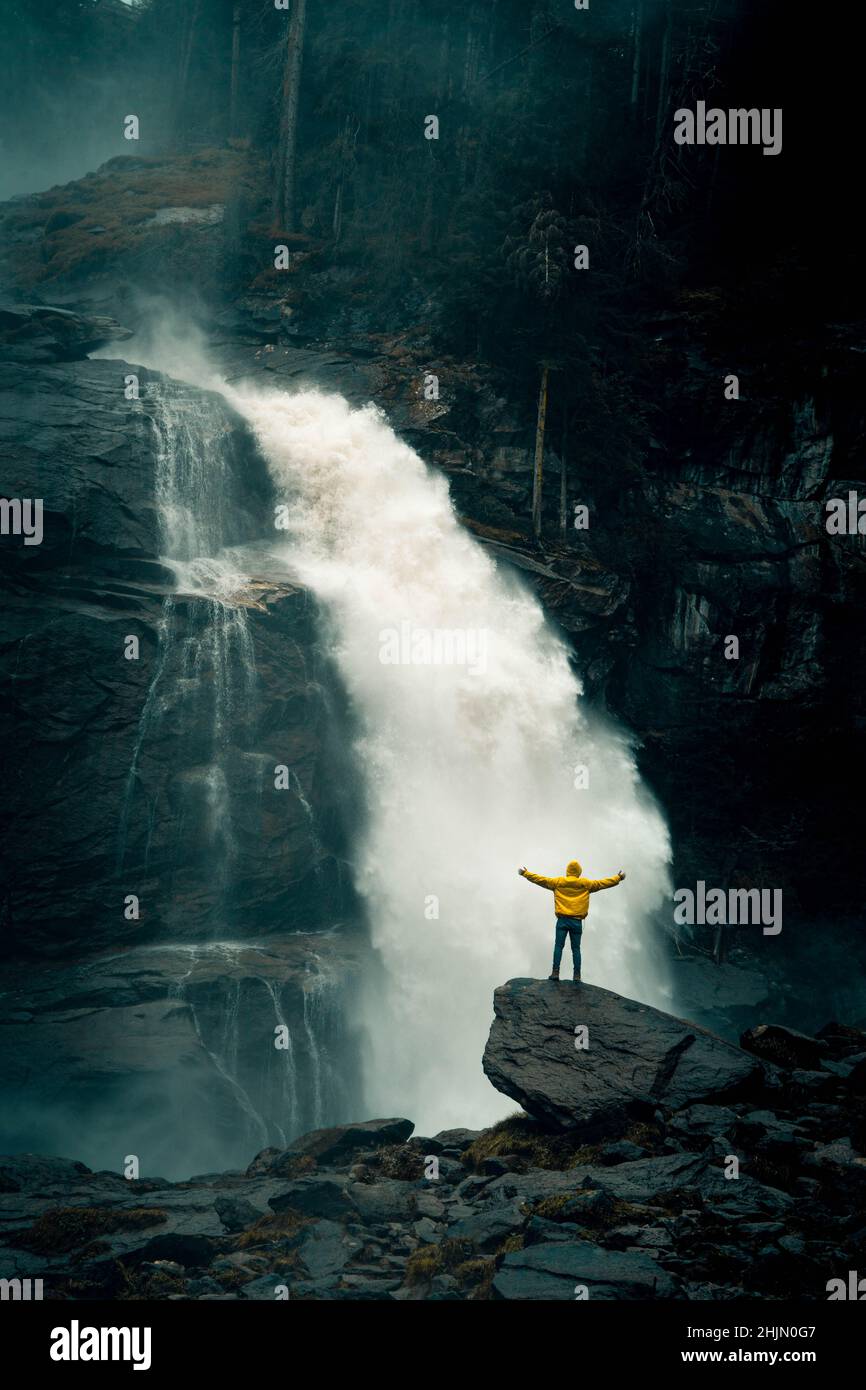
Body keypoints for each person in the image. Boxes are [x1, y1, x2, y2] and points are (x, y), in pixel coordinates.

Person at [518, 859, 626, 983]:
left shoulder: (558, 882)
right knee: (576, 948)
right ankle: (577, 975)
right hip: (576, 922)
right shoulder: (586, 884)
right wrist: (619, 877)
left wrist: (525, 873)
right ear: (579, 872)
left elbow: (540, 879)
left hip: (562, 921)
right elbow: (603, 883)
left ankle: (555, 972)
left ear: (567, 871)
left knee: (558, 946)